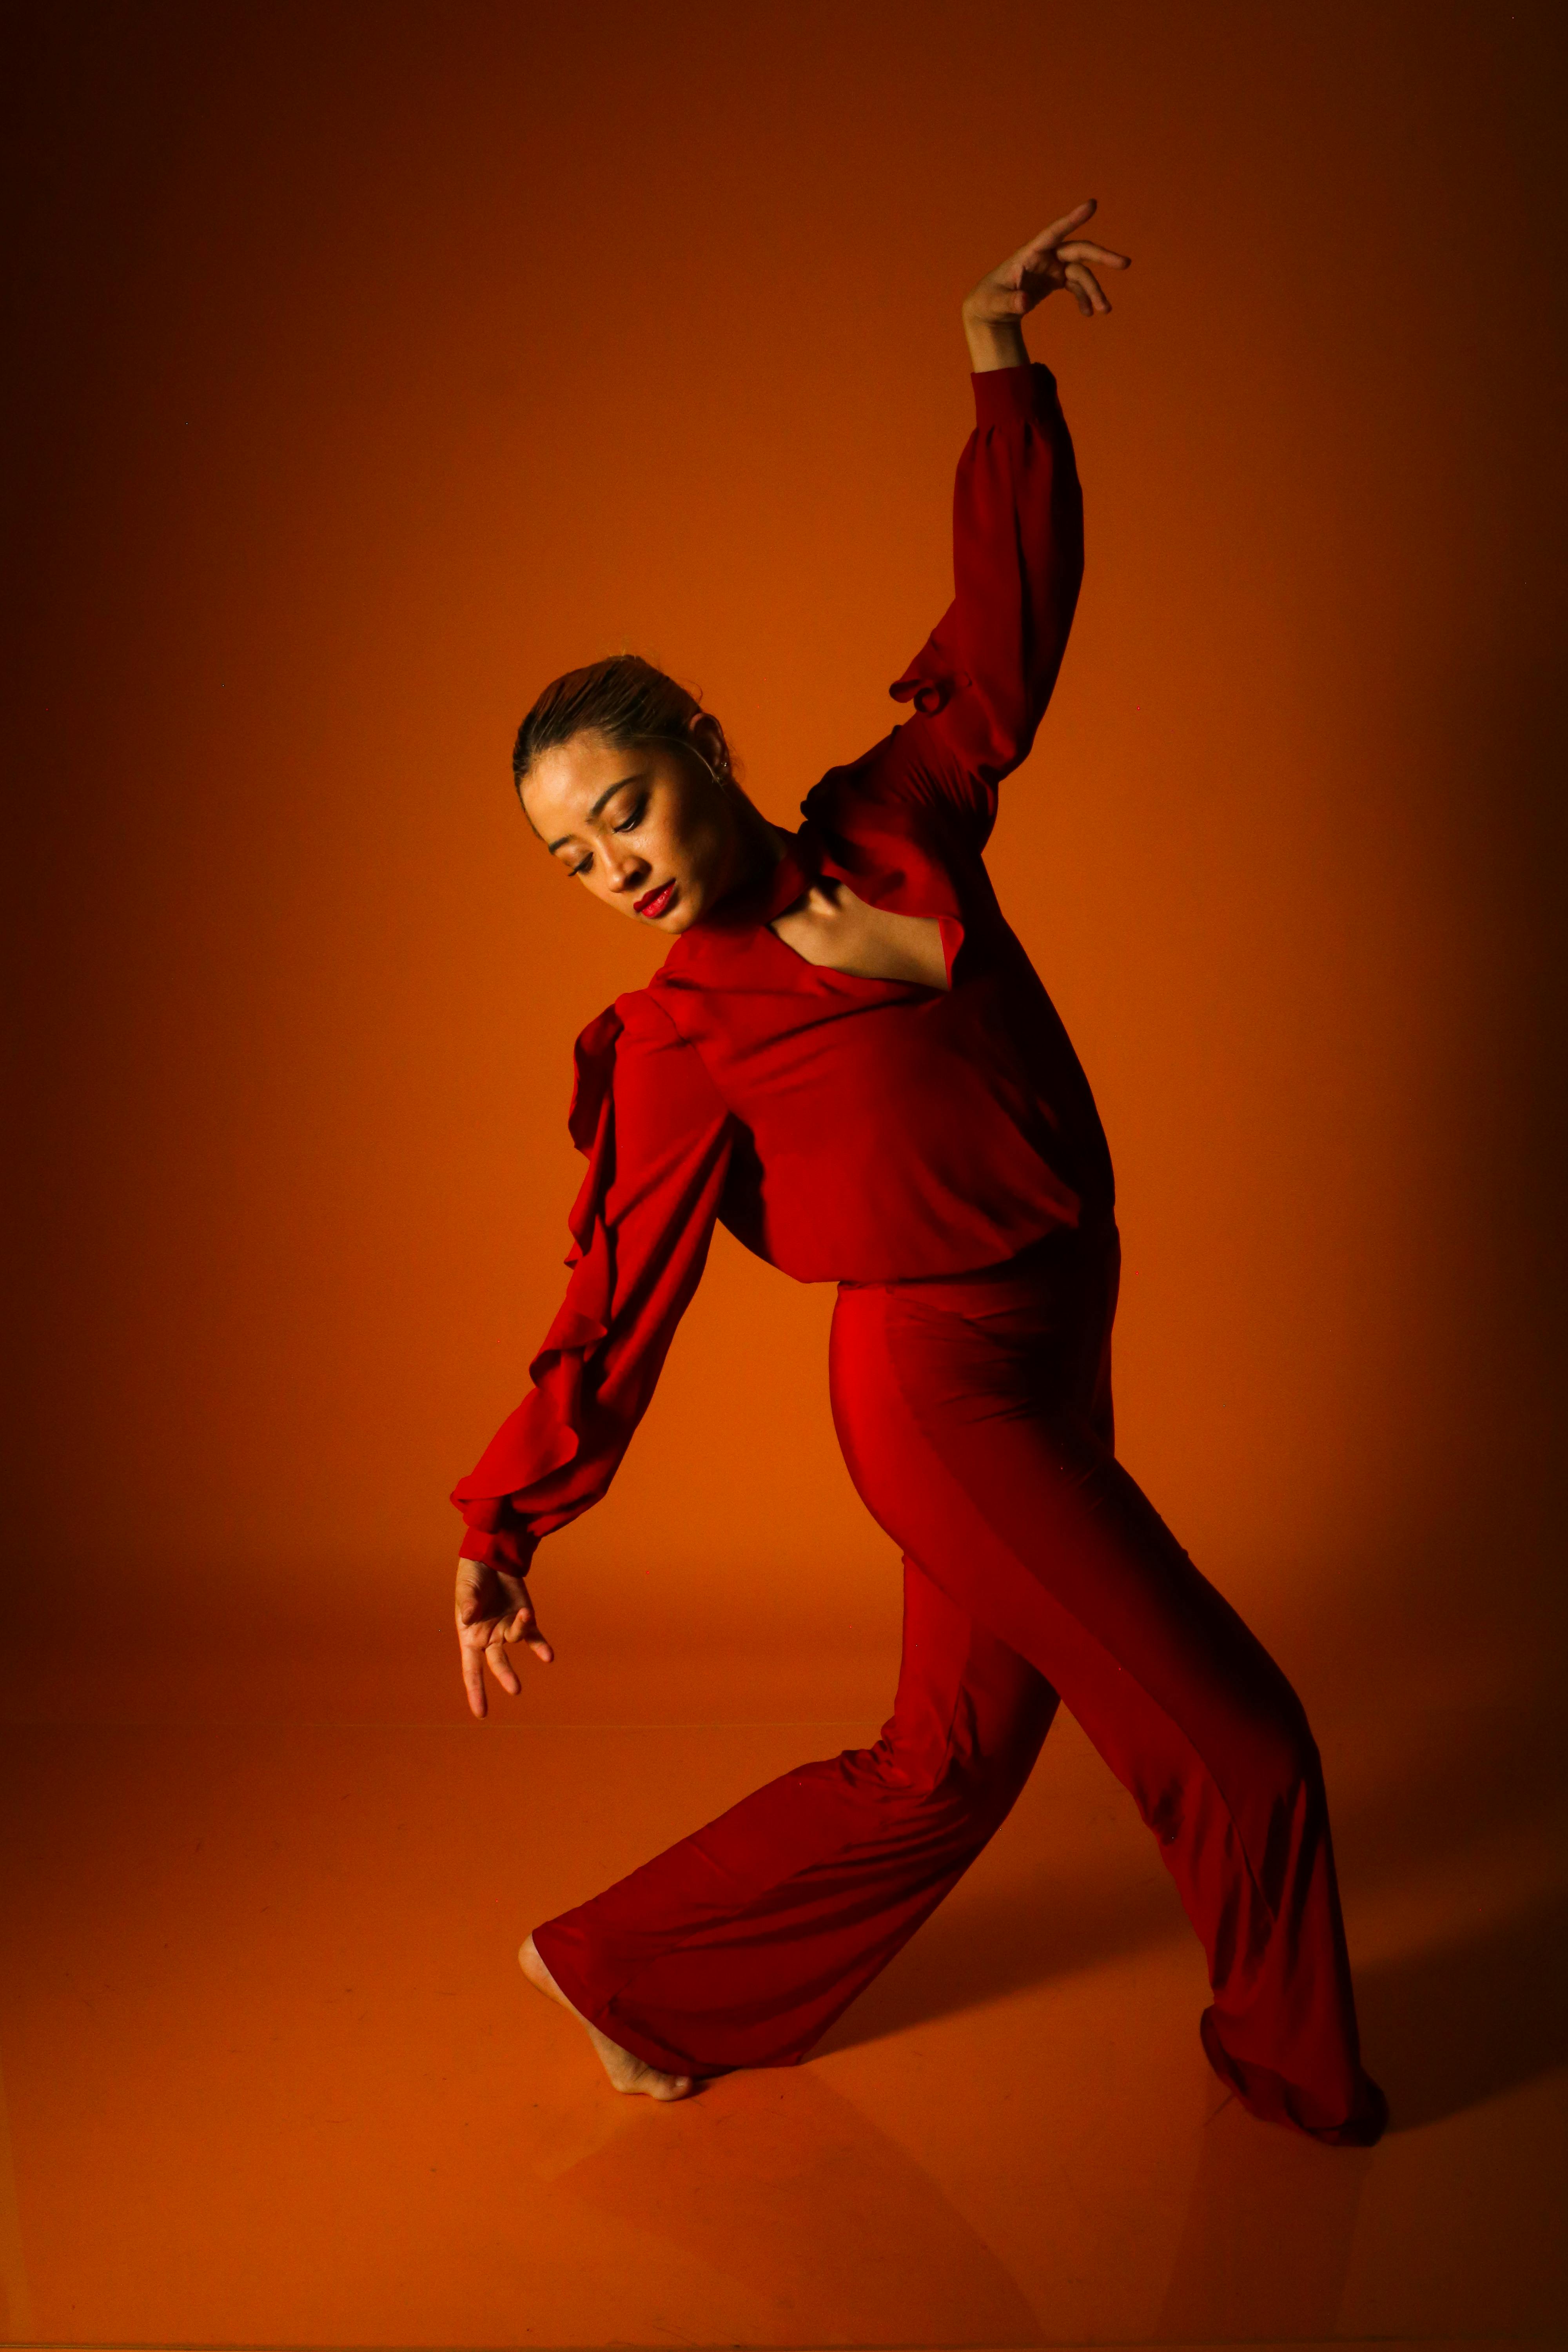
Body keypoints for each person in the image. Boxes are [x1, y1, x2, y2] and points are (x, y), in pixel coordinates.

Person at [449, 201, 1387, 2145]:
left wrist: (995, 361)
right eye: (571, 855)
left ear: (699, 747)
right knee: (1246, 1745)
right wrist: (503, 1527)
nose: (609, 863)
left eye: (618, 806)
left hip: (1061, 1326)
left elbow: (1004, 629)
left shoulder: (895, 817)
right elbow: (610, 1295)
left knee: (944, 1768)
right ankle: (1299, 2086)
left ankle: (620, 1970)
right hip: (941, 1391)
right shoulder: (672, 1040)